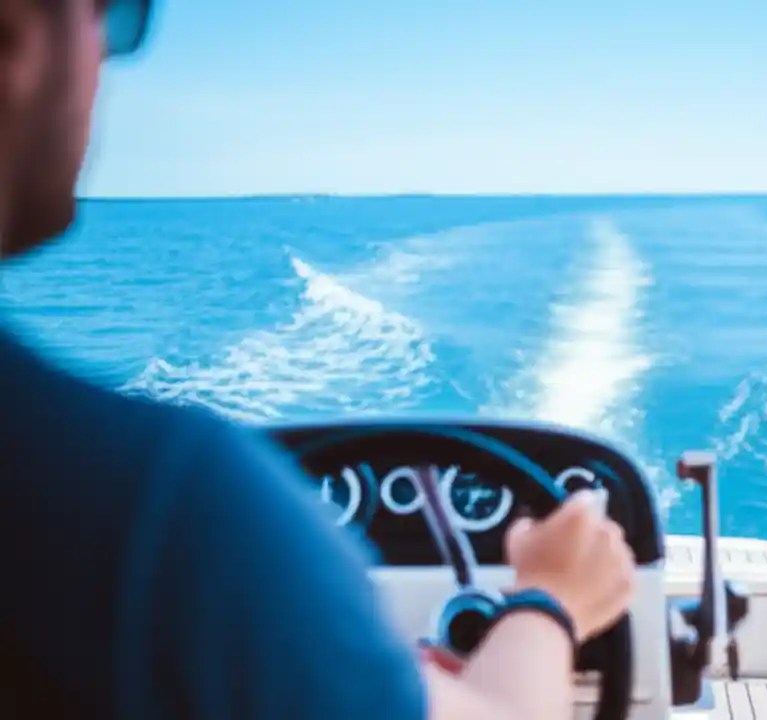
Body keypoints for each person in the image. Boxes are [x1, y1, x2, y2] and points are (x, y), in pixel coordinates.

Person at [0, 1, 636, 718]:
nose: (107, 57)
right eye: (114, 16)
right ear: (17, 34)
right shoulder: (162, 519)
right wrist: (551, 599)